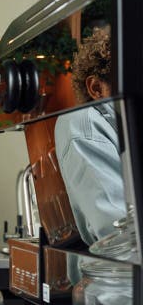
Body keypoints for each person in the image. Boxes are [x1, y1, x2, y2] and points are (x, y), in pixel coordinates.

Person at [54, 28, 127, 247]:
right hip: (113, 277)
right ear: (96, 88)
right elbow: (116, 233)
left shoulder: (123, 126)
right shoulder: (83, 123)